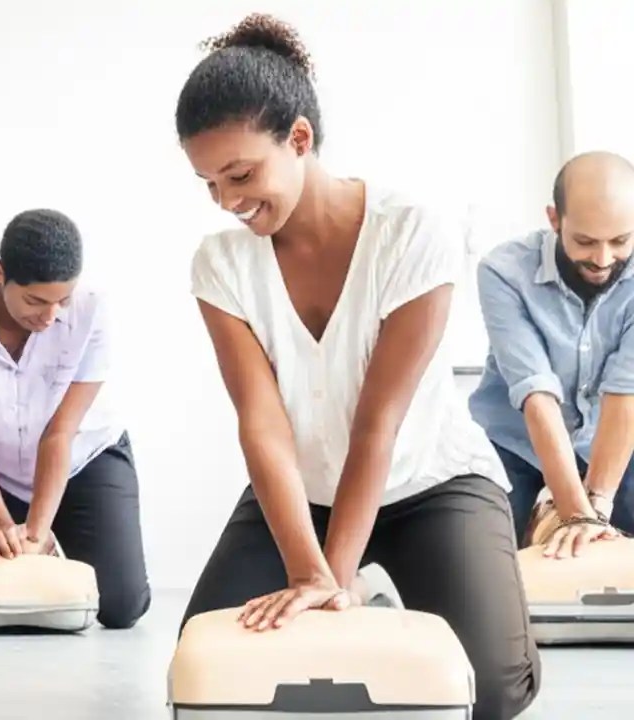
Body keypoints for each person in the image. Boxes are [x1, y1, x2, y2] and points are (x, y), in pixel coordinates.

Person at [173, 14, 539, 719]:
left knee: (488, 693)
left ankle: (374, 578)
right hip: (302, 493)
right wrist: (307, 566)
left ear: (300, 138)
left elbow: (380, 422)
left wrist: (330, 584)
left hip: (429, 482)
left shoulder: (411, 234)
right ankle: (348, 577)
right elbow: (263, 424)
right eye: (209, 183)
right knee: (212, 676)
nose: (227, 201)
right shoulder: (220, 263)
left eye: (241, 174)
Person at [0, 208, 151, 629]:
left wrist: (34, 535)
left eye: (61, 301)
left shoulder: (93, 310)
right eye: (34, 301)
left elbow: (60, 433)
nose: (49, 317)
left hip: (83, 459)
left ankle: (49, 548)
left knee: (120, 607)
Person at [469, 151, 634, 556]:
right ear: (554, 219)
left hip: (612, 436)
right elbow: (536, 396)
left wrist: (596, 506)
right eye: (585, 242)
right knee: (481, 550)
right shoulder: (504, 272)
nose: (602, 259)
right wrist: (576, 514)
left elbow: (626, 392)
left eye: (620, 241)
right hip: (515, 441)